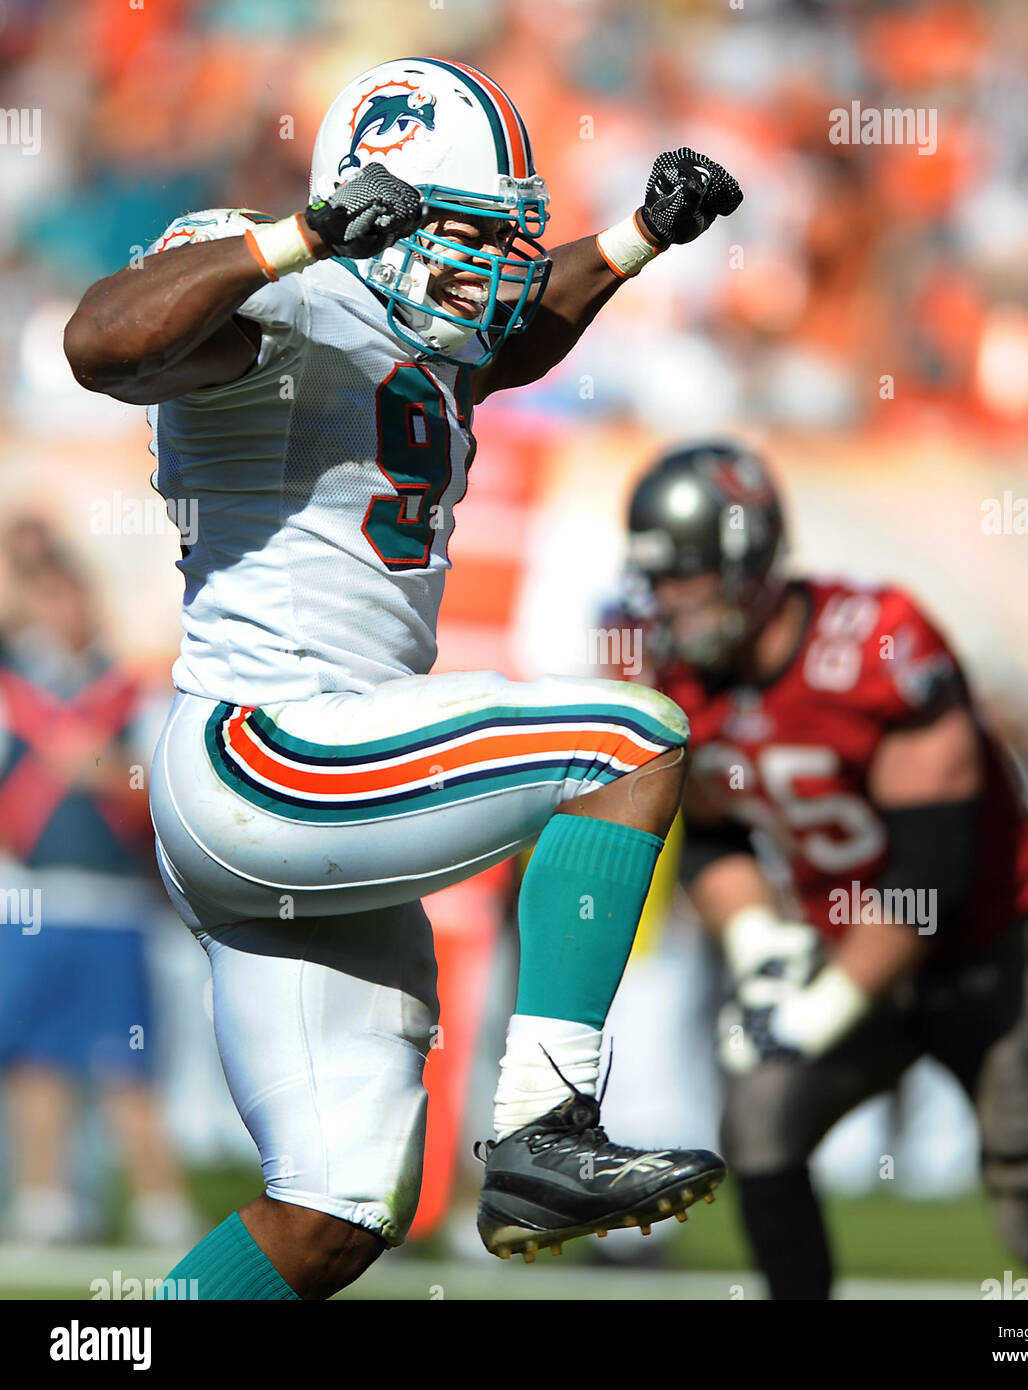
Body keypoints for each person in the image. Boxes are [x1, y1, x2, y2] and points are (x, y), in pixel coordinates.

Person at [64, 57, 742, 1299]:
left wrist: (640, 236)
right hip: (264, 743)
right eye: (470, 236)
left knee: (332, 1216)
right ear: (370, 213)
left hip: (307, 779)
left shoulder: (427, 332)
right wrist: (298, 236)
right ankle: (546, 1128)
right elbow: (101, 342)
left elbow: (519, 331)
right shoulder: (286, 283)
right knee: (628, 738)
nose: (496, 267)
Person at [623, 438, 1028, 1300]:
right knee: (761, 1119)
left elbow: (933, 870)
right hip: (848, 948)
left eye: (682, 574)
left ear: (747, 559)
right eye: (656, 576)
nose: (664, 600)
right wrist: (759, 944)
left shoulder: (876, 643)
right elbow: (712, 832)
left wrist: (829, 1001)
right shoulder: (686, 681)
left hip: (993, 950)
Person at [0, 528, 197, 1247]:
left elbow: (162, 797)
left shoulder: (128, 691)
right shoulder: (12, 687)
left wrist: (102, 769)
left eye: (65, 593)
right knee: (36, 1061)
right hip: (30, 902)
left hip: (113, 905)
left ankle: (158, 1203)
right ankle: (44, 1199)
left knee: (127, 1060)